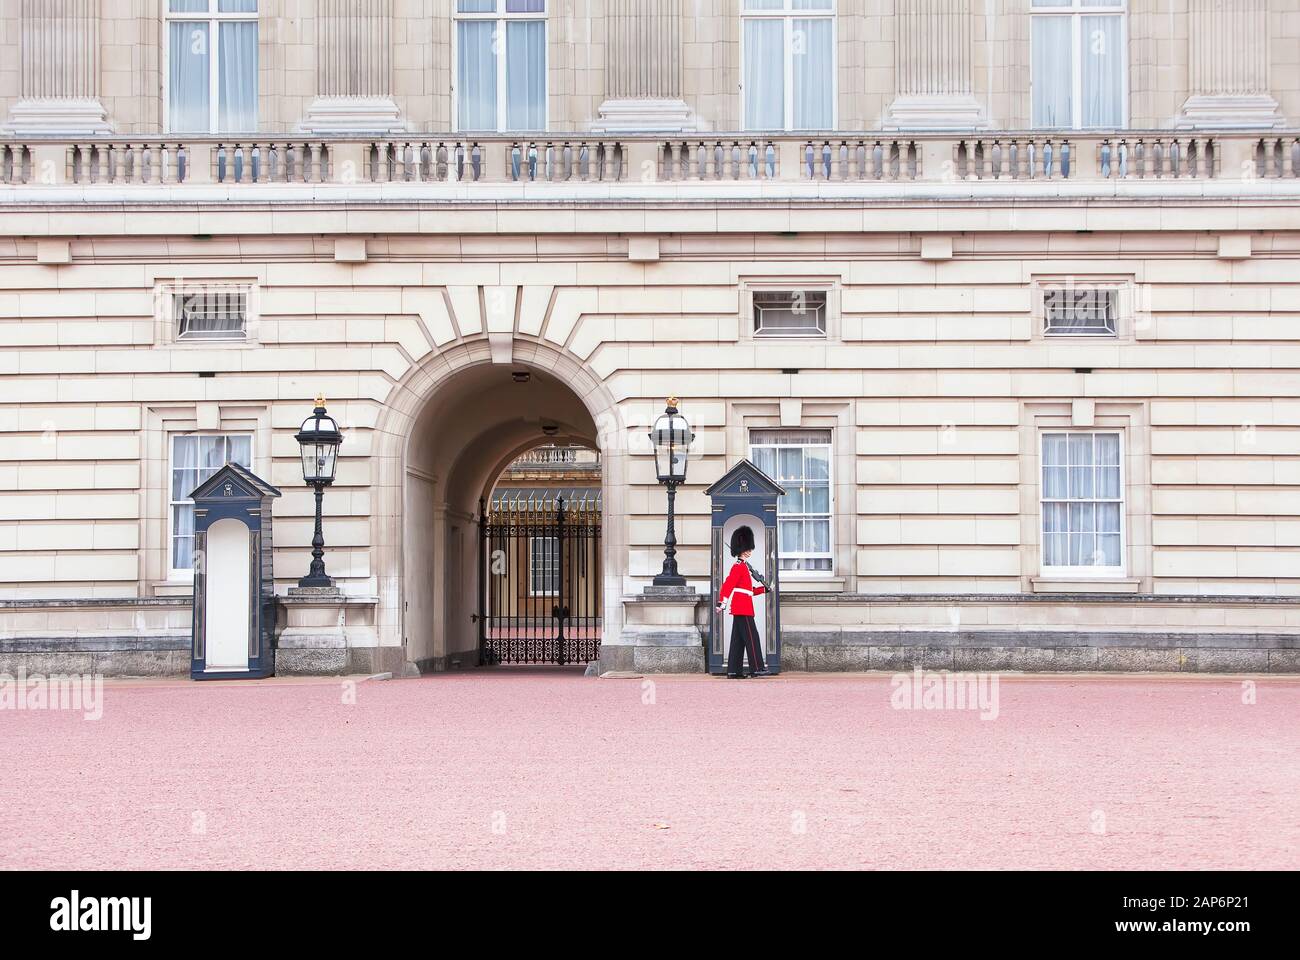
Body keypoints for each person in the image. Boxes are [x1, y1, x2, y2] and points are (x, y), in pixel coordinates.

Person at [716, 525, 771, 678]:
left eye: (749, 548)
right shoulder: (739, 567)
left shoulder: (745, 568)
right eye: (746, 548)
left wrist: (763, 589)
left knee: (738, 640)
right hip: (742, 607)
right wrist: (722, 603)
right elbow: (728, 585)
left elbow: (749, 590)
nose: (749, 551)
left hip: (743, 606)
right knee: (752, 637)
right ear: (740, 548)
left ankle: (734, 671)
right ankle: (757, 668)